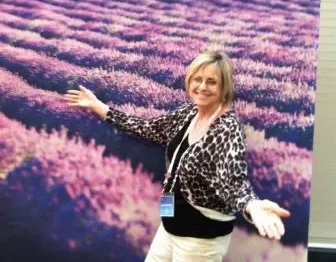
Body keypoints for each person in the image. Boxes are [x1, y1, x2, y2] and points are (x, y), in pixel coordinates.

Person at [64, 50, 290, 262]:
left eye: (211, 82)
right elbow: (148, 128)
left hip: (200, 237)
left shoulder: (228, 129)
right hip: (171, 224)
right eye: (197, 79)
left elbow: (231, 179)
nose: (202, 87)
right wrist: (99, 107)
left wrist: (252, 205)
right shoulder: (189, 113)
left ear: (224, 88)